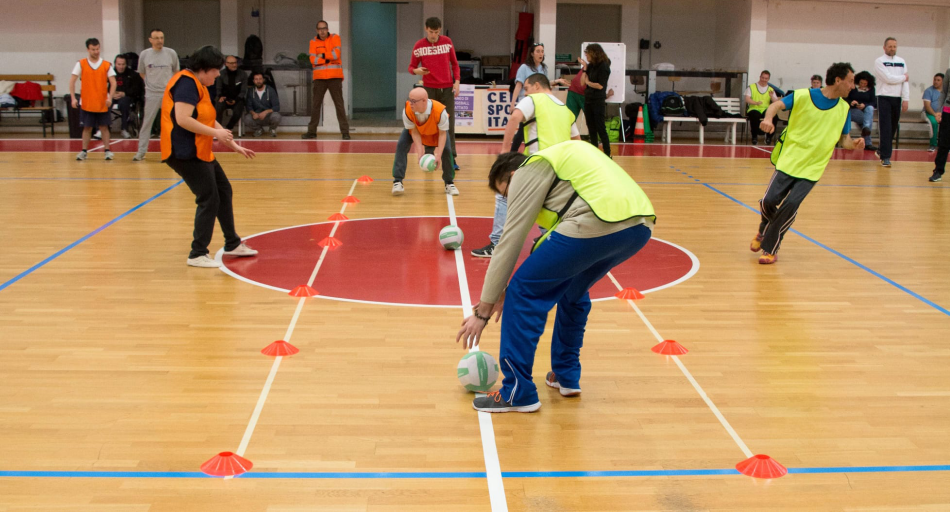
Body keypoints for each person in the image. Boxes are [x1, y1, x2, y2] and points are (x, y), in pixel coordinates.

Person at [456, 141, 656, 413]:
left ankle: (518, 391)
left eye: (506, 193)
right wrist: (503, 286)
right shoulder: (563, 168)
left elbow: (510, 241)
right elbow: (549, 242)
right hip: (638, 227)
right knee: (573, 290)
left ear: (512, 176)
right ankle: (566, 375)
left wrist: (484, 311)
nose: (510, 200)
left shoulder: (528, 170)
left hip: (596, 222)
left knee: (523, 292)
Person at [751, 63, 864, 264]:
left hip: (814, 166)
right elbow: (776, 105)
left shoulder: (844, 108)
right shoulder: (804, 95)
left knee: (791, 204)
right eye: (851, 81)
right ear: (838, 80)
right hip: (790, 159)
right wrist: (768, 118)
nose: (853, 86)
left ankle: (770, 247)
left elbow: (844, 139)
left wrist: (853, 144)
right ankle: (764, 228)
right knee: (768, 201)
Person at [160, 45, 258, 268]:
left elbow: (205, 118)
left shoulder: (199, 85)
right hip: (183, 152)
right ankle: (197, 253)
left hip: (200, 150)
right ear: (204, 68)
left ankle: (232, 243)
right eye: (216, 70)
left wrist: (232, 144)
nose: (218, 74)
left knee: (223, 190)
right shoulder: (185, 83)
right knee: (209, 198)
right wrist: (216, 134)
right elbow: (183, 119)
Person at [471, 73, 581, 258]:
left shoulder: (534, 100)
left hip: (538, 164)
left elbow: (514, 118)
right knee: (547, 203)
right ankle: (549, 242)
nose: (526, 93)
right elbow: (577, 141)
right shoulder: (565, 109)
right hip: (560, 167)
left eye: (527, 88)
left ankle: (497, 244)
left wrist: (505, 153)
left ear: (537, 86)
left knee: (504, 194)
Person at [409, 17, 460, 170]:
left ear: (440, 30)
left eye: (436, 32)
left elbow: (455, 64)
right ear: (426, 29)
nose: (433, 35)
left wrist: (456, 82)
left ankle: (452, 159)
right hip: (429, 90)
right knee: (428, 124)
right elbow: (411, 67)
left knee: (448, 125)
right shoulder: (419, 45)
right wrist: (416, 71)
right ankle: (429, 155)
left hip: (446, 89)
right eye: (431, 32)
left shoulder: (447, 42)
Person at [390, 88, 458, 197]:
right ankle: (397, 181)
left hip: (436, 132)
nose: (410, 103)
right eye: (409, 100)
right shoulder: (407, 110)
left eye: (414, 101)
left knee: (446, 150)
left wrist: (438, 154)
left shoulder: (440, 111)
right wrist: (420, 151)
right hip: (417, 129)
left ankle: (449, 183)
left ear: (424, 101)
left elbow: (442, 134)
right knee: (401, 144)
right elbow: (414, 131)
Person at [507, 43, 568, 152]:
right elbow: (518, 85)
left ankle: (533, 151)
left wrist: (557, 81)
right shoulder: (524, 68)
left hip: (540, 102)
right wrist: (512, 104)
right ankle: (512, 154)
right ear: (532, 53)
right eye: (538, 51)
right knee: (522, 130)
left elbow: (545, 85)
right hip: (527, 101)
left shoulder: (543, 68)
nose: (541, 54)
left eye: (542, 51)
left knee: (536, 128)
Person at [134, 29, 180, 161]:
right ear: (150, 40)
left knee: (171, 124)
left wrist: (171, 88)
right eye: (157, 38)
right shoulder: (144, 54)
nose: (160, 40)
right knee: (147, 123)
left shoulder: (171, 53)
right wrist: (151, 84)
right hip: (151, 94)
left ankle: (172, 152)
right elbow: (142, 73)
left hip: (168, 94)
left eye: (162, 37)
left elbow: (177, 72)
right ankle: (141, 152)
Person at [302, 20, 350, 140]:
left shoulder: (335, 38)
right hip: (319, 79)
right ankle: (311, 132)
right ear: (316, 30)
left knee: (339, 105)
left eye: (324, 28)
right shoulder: (313, 42)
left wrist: (321, 55)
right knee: (315, 105)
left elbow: (336, 55)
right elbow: (313, 59)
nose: (322, 31)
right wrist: (327, 57)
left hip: (335, 77)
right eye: (320, 29)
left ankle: (345, 132)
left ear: (327, 29)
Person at [70, 38, 117, 161]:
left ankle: (107, 151)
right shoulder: (81, 63)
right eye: (93, 49)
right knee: (87, 127)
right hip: (87, 102)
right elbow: (72, 81)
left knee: (104, 127)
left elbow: (113, 82)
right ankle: (84, 151)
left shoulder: (106, 65)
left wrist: (110, 97)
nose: (96, 51)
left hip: (102, 102)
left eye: (97, 49)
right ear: (88, 49)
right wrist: (73, 98)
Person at [873, 37, 909, 168]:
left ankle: (881, 150)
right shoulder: (879, 61)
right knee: (886, 127)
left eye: (894, 46)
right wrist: (903, 77)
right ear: (884, 47)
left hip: (897, 98)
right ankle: (886, 157)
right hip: (884, 97)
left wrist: (906, 99)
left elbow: (905, 82)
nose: (892, 49)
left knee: (893, 127)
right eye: (890, 46)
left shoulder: (902, 61)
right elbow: (887, 78)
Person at [582, 44, 611, 157]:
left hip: (598, 100)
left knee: (600, 127)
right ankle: (594, 153)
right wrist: (585, 68)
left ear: (594, 53)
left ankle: (607, 153)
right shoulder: (590, 66)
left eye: (588, 53)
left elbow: (600, 86)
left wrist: (589, 83)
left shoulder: (603, 66)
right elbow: (582, 82)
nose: (586, 55)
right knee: (591, 127)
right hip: (588, 99)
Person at [745, 70, 780, 145]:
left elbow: (776, 102)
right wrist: (756, 103)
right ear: (760, 77)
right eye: (763, 77)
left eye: (766, 78)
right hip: (754, 108)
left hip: (766, 109)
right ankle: (754, 136)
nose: (764, 80)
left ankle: (769, 137)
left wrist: (771, 97)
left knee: (774, 117)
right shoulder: (751, 87)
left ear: (768, 79)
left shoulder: (771, 89)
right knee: (754, 115)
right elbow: (747, 99)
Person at [112, 54, 143, 139]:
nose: (121, 67)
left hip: (127, 97)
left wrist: (124, 93)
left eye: (123, 64)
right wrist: (111, 94)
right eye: (119, 64)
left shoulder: (133, 75)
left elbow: (137, 89)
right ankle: (102, 128)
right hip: (112, 96)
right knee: (104, 102)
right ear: (115, 64)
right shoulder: (110, 74)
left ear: (126, 64)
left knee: (124, 102)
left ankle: (124, 129)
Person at [928, 65, 950, 182]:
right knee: (944, 142)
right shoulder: (949, 72)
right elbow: (944, 93)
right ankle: (938, 171)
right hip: (948, 110)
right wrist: (939, 111)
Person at [214, 55, 247, 131]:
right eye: (232, 63)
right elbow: (218, 88)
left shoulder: (243, 74)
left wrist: (236, 99)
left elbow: (243, 91)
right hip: (224, 97)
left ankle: (229, 128)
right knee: (218, 107)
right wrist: (220, 96)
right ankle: (218, 130)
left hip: (238, 98)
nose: (234, 65)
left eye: (235, 63)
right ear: (226, 64)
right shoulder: (221, 74)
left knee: (238, 110)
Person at [244, 71, 281, 137]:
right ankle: (258, 129)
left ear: (263, 80)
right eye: (256, 79)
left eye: (260, 79)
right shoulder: (250, 91)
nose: (258, 81)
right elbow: (248, 107)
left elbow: (276, 107)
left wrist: (266, 112)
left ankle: (272, 129)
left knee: (276, 116)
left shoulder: (270, 90)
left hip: (268, 116)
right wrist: (253, 113)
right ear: (253, 81)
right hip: (256, 116)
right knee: (247, 118)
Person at [847, 71, 877, 150]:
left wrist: (865, 105)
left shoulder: (871, 89)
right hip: (853, 109)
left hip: (865, 109)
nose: (862, 85)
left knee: (870, 108)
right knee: (867, 119)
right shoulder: (852, 87)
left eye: (865, 83)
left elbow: (874, 102)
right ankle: (867, 141)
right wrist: (851, 102)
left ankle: (866, 128)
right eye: (861, 83)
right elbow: (845, 98)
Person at [923, 73, 943, 152]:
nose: (936, 82)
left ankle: (944, 145)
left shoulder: (946, 92)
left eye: (938, 80)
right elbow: (927, 106)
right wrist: (935, 115)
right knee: (934, 123)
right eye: (934, 80)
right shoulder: (928, 91)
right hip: (928, 113)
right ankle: (933, 145)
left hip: (941, 114)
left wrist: (941, 115)